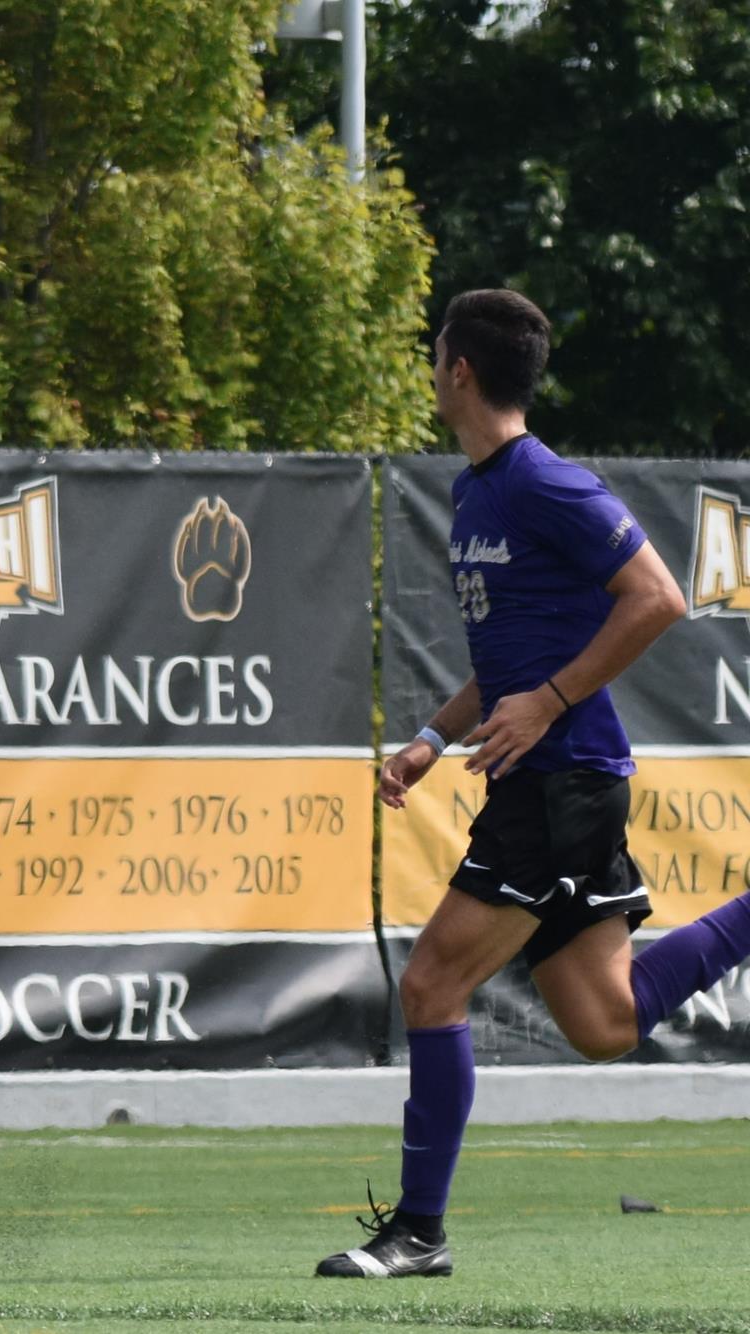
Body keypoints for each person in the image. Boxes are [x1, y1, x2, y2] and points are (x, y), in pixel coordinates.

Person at [318, 289, 750, 1277]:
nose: (431, 368)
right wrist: (432, 736)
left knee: (430, 982)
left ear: (459, 369)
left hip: (559, 783)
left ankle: (418, 1233)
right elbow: (508, 664)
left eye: (435, 353)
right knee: (603, 1023)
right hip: (556, 780)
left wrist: (549, 702)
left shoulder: (544, 481)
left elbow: (658, 598)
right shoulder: (474, 491)